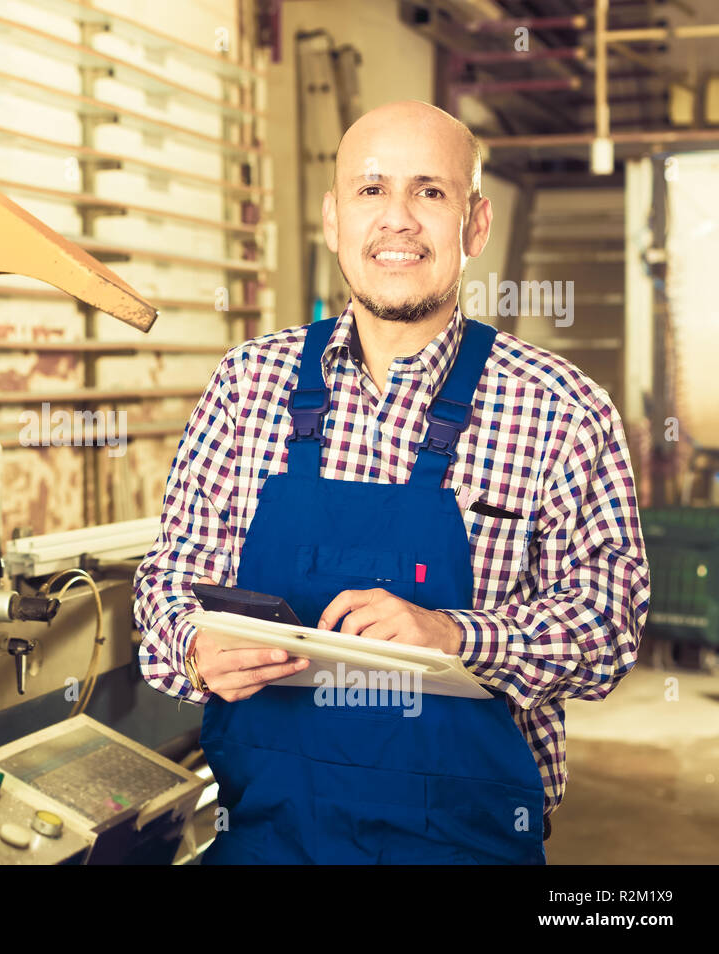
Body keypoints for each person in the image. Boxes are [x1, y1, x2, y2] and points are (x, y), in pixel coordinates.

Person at [133, 99, 649, 864]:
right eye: (372, 191)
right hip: (268, 840)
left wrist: (457, 636)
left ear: (475, 226)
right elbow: (168, 580)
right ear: (334, 219)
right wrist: (191, 644)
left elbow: (610, 624)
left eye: (430, 192)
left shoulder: (563, 410)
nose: (398, 220)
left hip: (466, 845)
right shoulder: (245, 387)